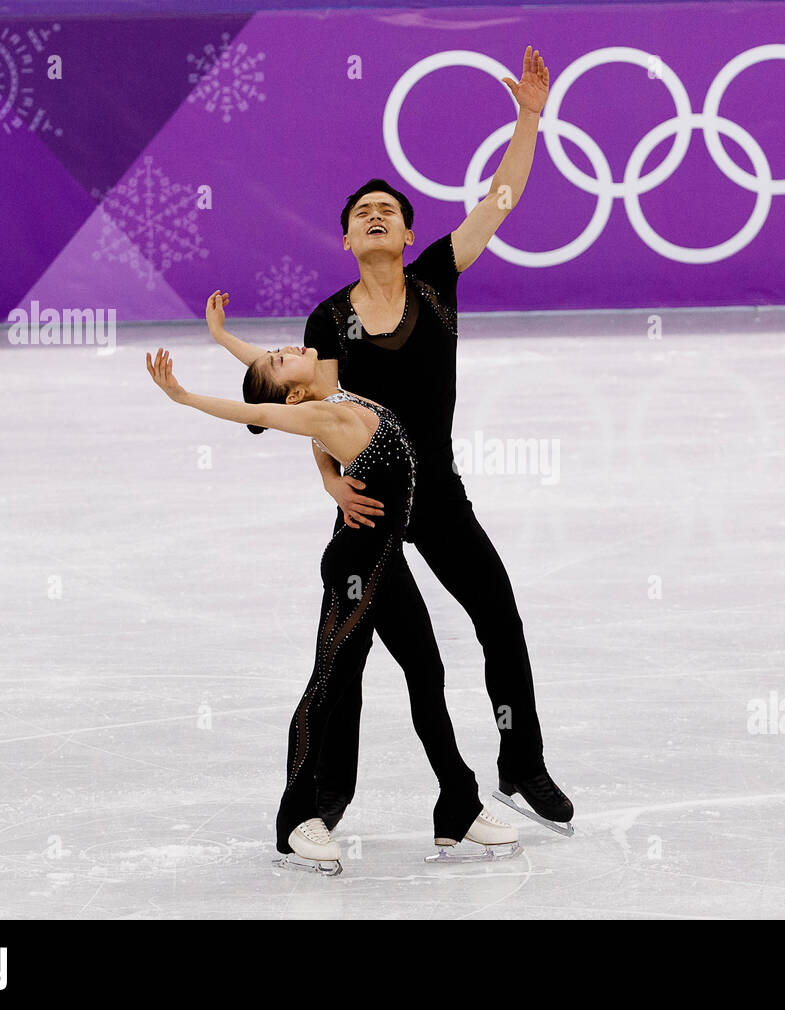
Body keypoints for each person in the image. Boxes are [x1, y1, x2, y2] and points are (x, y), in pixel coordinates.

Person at [303, 46, 574, 835]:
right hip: (370, 504)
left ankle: (520, 765)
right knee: (346, 655)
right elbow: (312, 410)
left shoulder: (436, 281)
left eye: (387, 208)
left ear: (410, 231)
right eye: (361, 214)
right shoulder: (328, 318)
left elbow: (503, 198)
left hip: (440, 496)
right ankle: (328, 791)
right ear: (349, 241)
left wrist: (529, 119)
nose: (375, 215)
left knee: (501, 616)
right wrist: (328, 481)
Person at [145, 319, 520, 875]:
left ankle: (457, 805)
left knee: (427, 670)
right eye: (278, 360)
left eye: (276, 351)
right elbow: (261, 411)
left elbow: (272, 381)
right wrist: (183, 397)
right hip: (357, 568)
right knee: (328, 684)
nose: (284, 349)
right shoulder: (321, 413)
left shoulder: (328, 390)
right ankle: (294, 818)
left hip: (383, 565)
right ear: (295, 393)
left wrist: (225, 340)